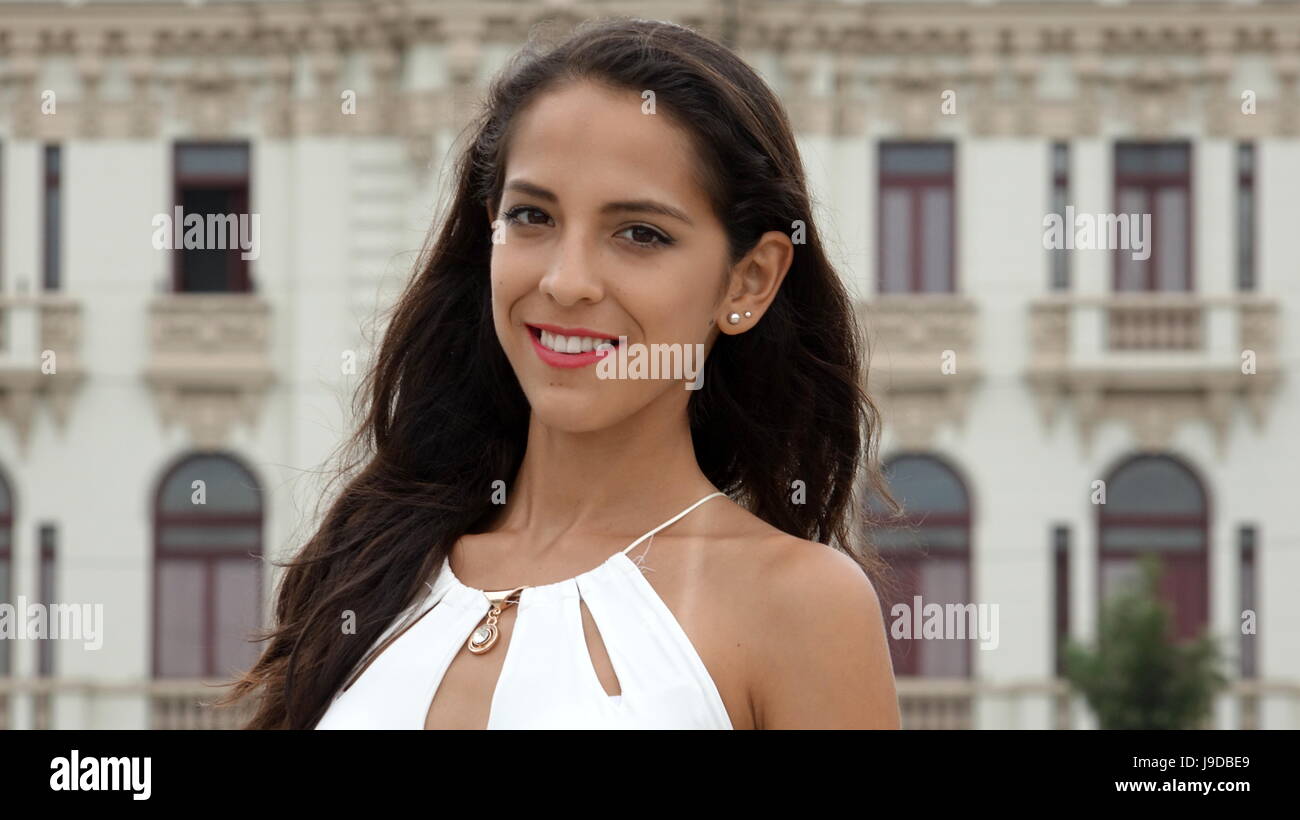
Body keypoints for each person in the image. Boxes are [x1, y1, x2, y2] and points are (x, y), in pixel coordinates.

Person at [222, 16, 901, 730]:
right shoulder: (371, 568)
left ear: (749, 281)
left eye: (640, 233)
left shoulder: (801, 605)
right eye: (532, 217)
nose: (566, 280)